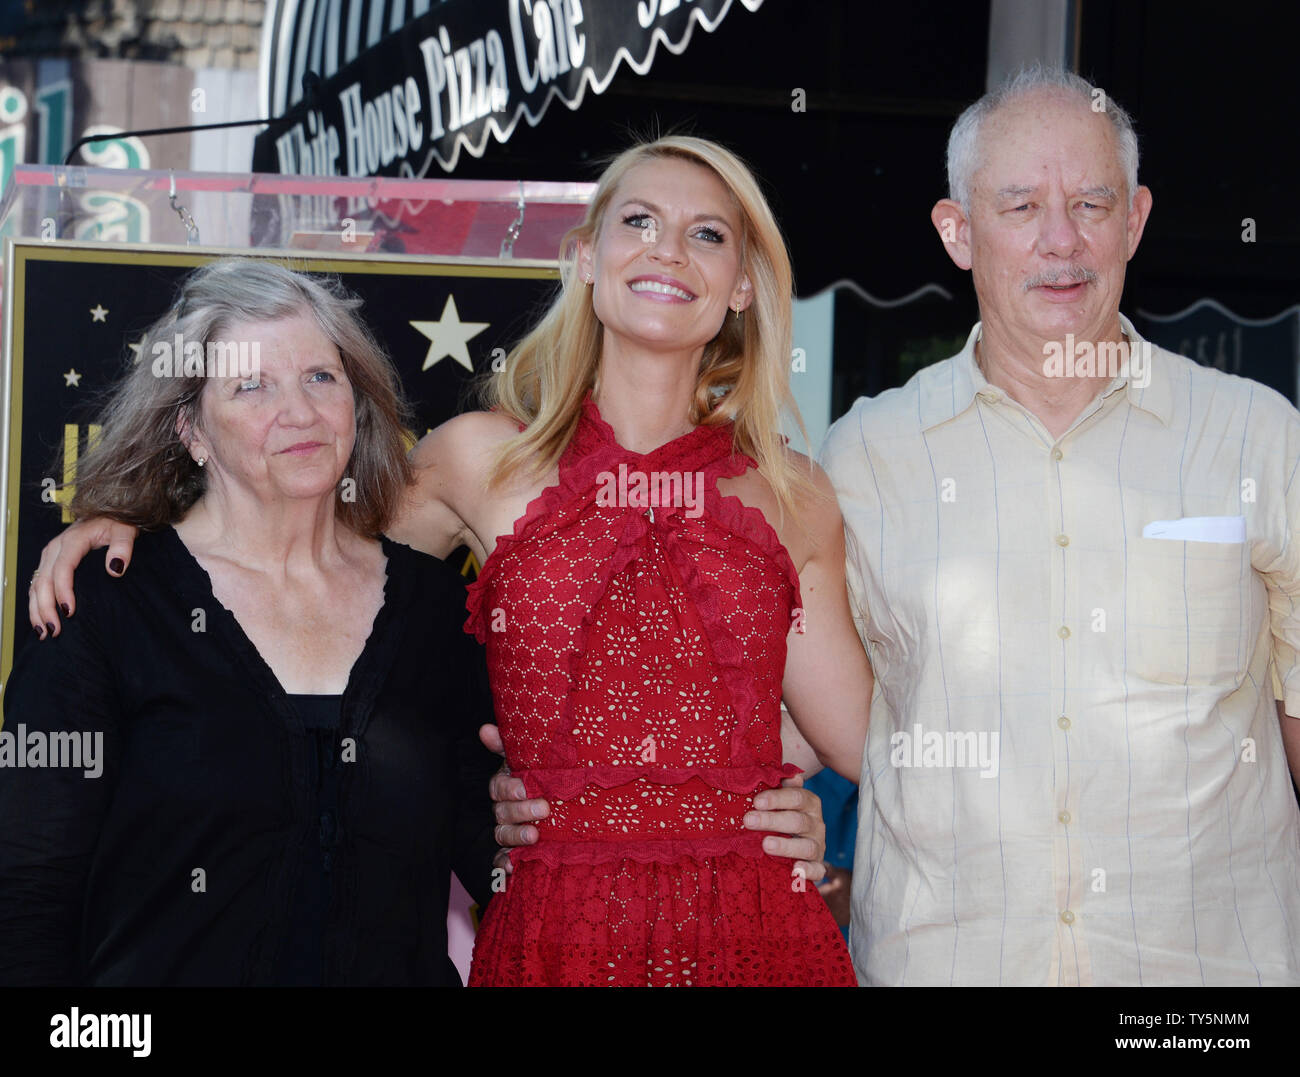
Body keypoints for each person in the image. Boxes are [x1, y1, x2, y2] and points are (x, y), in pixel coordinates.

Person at [26, 137, 872, 986]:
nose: (668, 250)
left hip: (756, 928)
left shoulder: (796, 494)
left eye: (709, 235)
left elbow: (859, 737)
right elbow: (291, 540)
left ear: (744, 285)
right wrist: (127, 518)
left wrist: (771, 782)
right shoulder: (472, 461)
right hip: (557, 933)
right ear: (585, 256)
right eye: (639, 220)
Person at [813, 65, 1299, 985]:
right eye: (1020, 206)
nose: (1061, 241)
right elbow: (790, 707)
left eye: (1090, 202)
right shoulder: (862, 457)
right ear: (958, 233)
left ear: (1137, 221)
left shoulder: (1260, 437)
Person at [0, 259, 500, 985]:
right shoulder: (103, 603)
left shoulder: (435, 609)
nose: (299, 412)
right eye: (252, 386)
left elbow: (489, 848)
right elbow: (28, 889)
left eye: (321, 378)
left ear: (356, 403)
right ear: (192, 430)